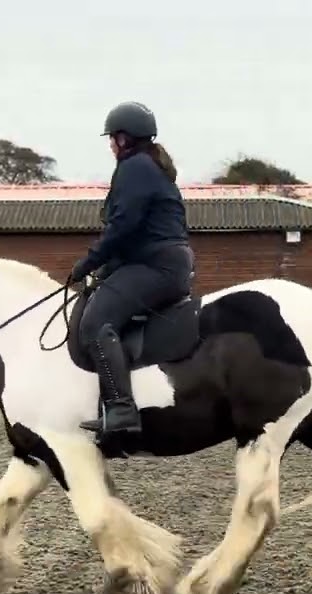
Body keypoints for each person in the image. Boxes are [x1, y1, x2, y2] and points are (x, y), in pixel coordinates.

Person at [66, 101, 195, 440]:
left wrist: (88, 263)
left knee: (94, 324)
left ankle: (122, 409)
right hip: (160, 261)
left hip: (156, 265)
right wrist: (107, 267)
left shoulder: (135, 167)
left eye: (112, 138)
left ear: (125, 139)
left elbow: (123, 226)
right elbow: (134, 232)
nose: (110, 144)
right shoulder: (150, 166)